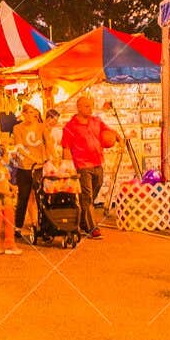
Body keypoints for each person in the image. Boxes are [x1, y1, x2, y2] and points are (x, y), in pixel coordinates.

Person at [60, 95, 118, 239]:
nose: (90, 109)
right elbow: (66, 148)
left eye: (91, 106)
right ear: (79, 107)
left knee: (93, 194)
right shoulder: (70, 126)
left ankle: (81, 222)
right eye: (86, 106)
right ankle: (92, 228)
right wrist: (67, 167)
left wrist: (120, 138)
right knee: (87, 196)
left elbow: (110, 132)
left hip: (98, 163)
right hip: (82, 165)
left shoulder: (96, 121)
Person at [11, 104, 50, 239]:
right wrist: (31, 157)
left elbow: (48, 143)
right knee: (23, 198)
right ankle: (18, 227)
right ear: (23, 114)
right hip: (24, 167)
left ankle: (43, 227)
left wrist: (52, 158)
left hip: (39, 167)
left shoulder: (41, 126)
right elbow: (19, 146)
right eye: (28, 113)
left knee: (41, 199)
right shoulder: (18, 128)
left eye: (33, 112)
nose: (31, 115)